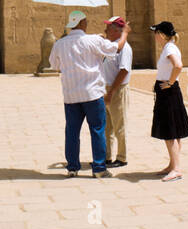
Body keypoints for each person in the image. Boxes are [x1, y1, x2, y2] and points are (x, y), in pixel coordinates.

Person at [48, 10, 130, 177]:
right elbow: (116, 47)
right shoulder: (93, 40)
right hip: (92, 94)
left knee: (72, 131)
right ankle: (99, 168)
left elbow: (54, 65)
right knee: (97, 129)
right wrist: (126, 33)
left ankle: (72, 167)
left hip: (71, 95)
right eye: (86, 21)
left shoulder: (60, 44)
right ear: (82, 23)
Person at [151, 21, 188, 181]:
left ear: (160, 34)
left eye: (155, 33)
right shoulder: (169, 47)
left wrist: (169, 82)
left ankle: (176, 169)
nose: (154, 37)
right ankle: (173, 164)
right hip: (168, 92)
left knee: (169, 132)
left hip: (168, 93)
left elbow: (178, 66)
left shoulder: (169, 48)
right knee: (174, 130)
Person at [101, 16, 133, 168]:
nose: (105, 30)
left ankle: (122, 157)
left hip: (117, 89)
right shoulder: (111, 46)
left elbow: (124, 70)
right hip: (106, 88)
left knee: (119, 125)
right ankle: (106, 156)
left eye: (108, 28)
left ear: (116, 31)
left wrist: (112, 91)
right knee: (107, 126)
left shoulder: (124, 48)